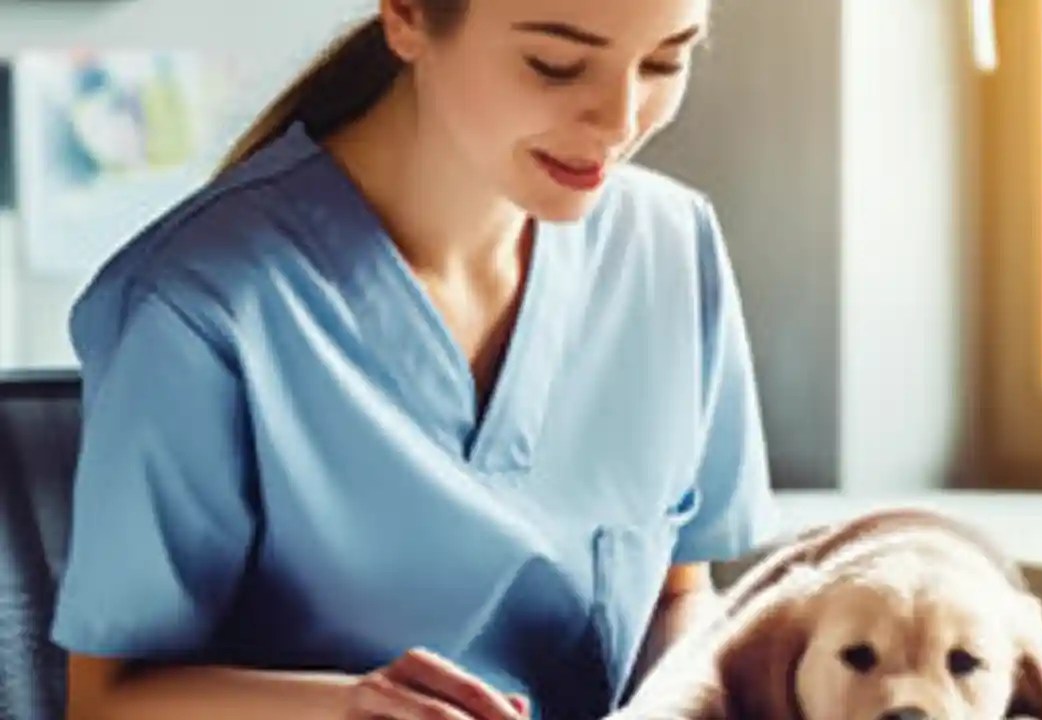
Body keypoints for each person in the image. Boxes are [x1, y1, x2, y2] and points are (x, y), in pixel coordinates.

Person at [49, 0, 778, 718]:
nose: (620, 120)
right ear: (405, 15)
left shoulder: (673, 247)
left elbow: (677, 595)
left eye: (663, 61)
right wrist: (356, 709)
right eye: (555, 66)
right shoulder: (201, 302)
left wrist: (674, 705)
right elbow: (111, 700)